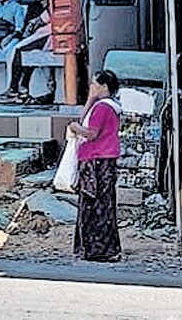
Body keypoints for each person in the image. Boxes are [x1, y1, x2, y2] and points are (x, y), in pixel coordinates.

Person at [70, 70, 123, 262]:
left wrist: (76, 129)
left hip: (97, 159)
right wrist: (90, 99)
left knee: (95, 204)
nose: (91, 88)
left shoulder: (103, 108)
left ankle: (97, 248)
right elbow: (83, 117)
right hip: (102, 158)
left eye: (94, 85)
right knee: (99, 203)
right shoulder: (107, 106)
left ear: (104, 87)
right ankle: (95, 248)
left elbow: (91, 133)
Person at [1, 0, 56, 102]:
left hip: (47, 38)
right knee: (23, 53)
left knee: (19, 50)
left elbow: (42, 21)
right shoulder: (33, 6)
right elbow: (27, 25)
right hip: (36, 38)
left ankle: (14, 88)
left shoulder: (54, 4)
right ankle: (22, 89)